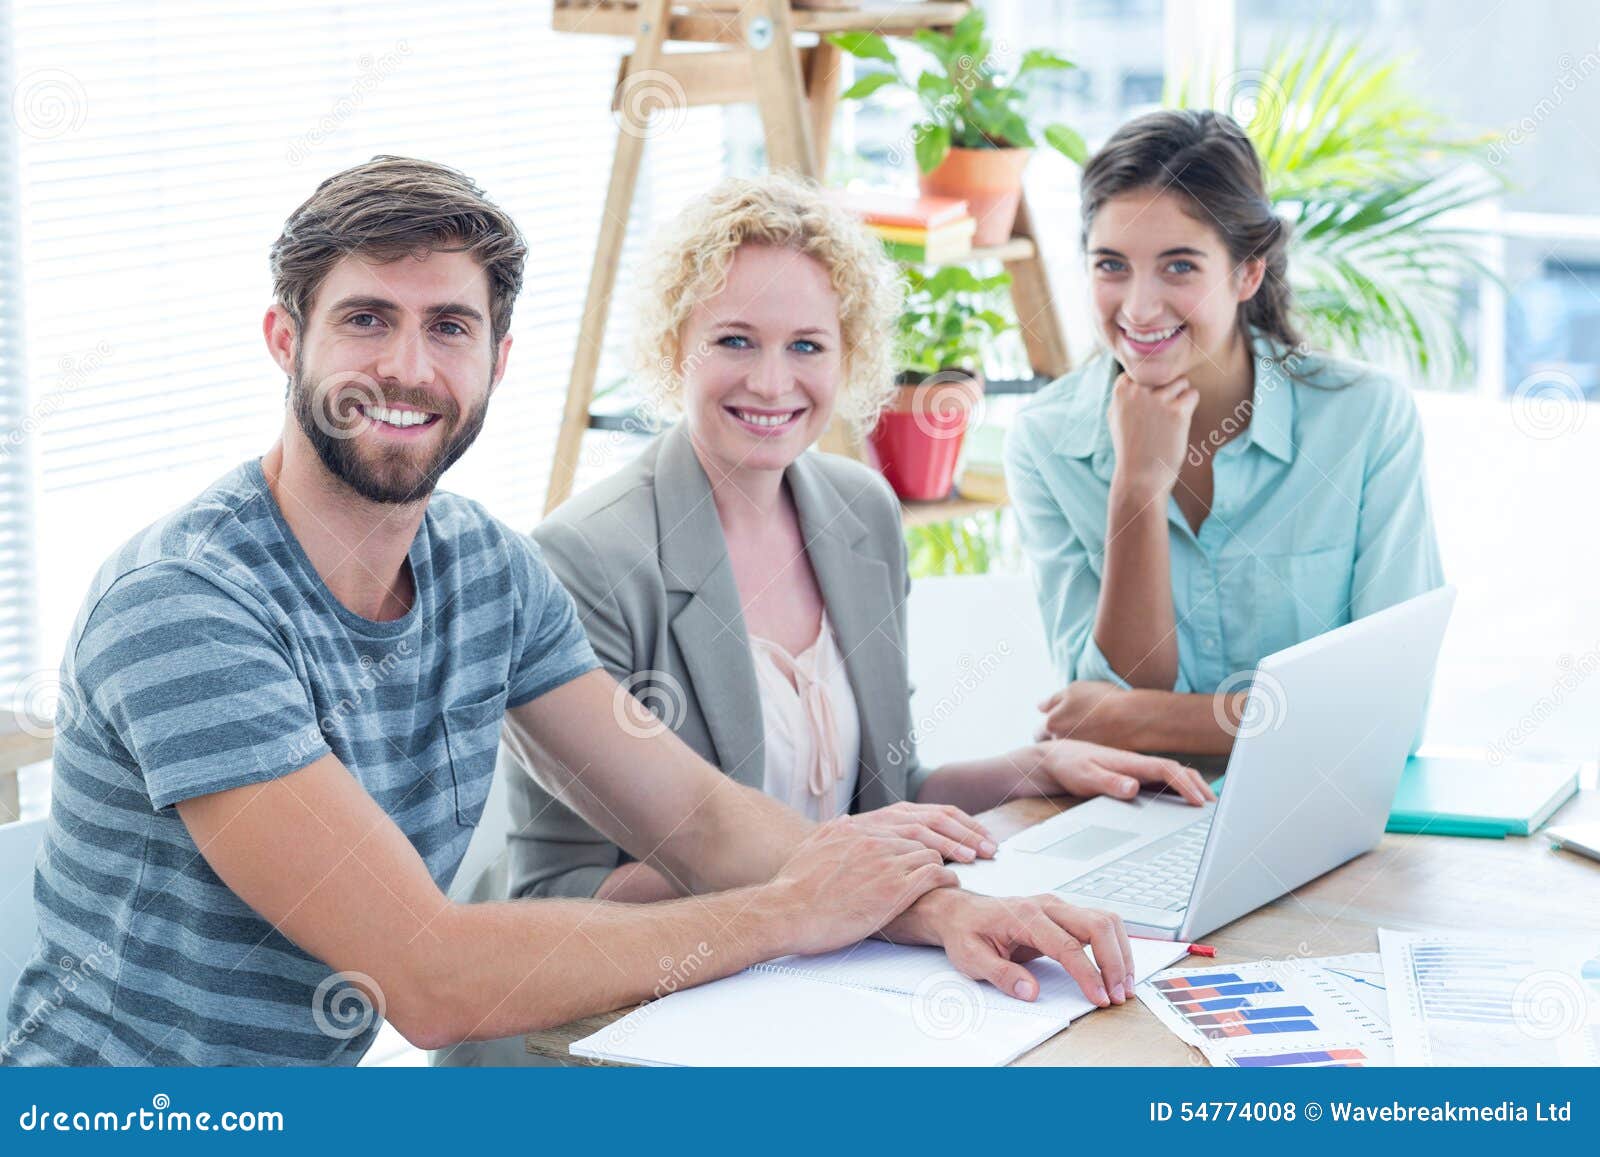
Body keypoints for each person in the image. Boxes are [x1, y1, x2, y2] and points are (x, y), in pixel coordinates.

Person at [2, 157, 1137, 1068]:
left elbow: (697, 815)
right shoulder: (188, 608)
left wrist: (934, 910)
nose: (407, 366)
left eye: (449, 327)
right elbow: (430, 978)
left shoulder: (482, 567)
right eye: (366, 319)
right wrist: (792, 910)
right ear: (285, 340)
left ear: (499, 359)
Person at [504, 171, 1209, 920]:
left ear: (850, 355)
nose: (772, 382)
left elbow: (886, 799)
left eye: (807, 345)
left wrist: (1036, 767)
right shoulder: (586, 559)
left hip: (844, 954)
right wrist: (829, 862)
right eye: (735, 341)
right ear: (673, 346)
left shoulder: (860, 510)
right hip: (686, 976)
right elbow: (559, 895)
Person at [1005, 110, 1445, 756]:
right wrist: (1137, 490)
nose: (1139, 308)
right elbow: (1105, 714)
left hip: (1319, 803)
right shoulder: (1046, 441)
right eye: (1112, 265)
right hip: (1130, 808)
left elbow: (1391, 709)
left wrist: (1143, 719)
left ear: (1247, 273)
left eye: (1179, 267)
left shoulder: (1364, 421)